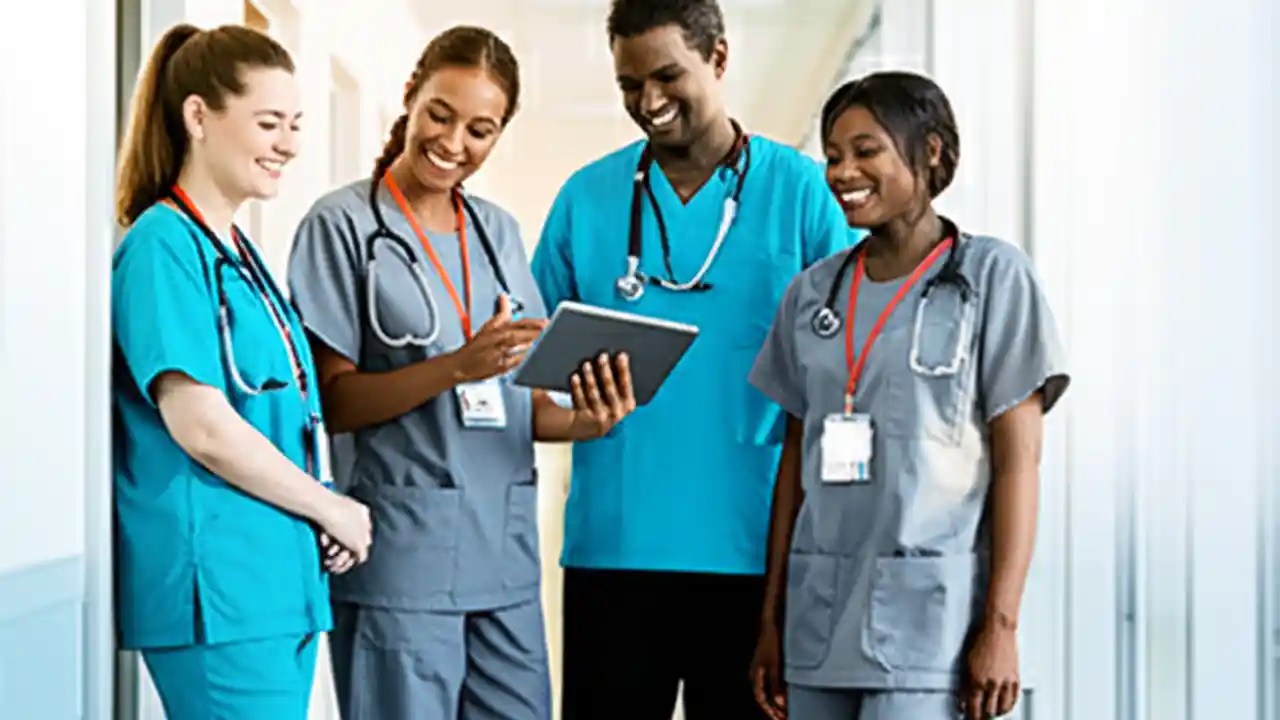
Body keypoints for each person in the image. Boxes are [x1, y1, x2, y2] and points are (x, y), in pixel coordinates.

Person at [285, 25, 636, 720]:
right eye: (440, 115)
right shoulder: (343, 225)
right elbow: (334, 401)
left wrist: (587, 421)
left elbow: (520, 404)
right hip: (401, 564)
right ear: (411, 96)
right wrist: (455, 367)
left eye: (480, 129)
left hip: (503, 561)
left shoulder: (499, 233)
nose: (453, 143)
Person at [529, 1, 856, 716]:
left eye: (668, 75)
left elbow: (846, 372)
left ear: (719, 58)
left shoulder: (801, 193)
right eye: (628, 85)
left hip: (754, 555)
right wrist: (572, 412)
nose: (648, 102)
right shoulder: (587, 199)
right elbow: (520, 371)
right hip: (615, 550)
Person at [746, 70, 1071, 720]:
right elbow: (792, 466)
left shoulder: (992, 279)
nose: (842, 172)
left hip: (933, 630)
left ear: (931, 152)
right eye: (833, 156)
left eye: (866, 151)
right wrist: (770, 621)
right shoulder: (813, 294)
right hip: (817, 619)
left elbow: (1018, 465)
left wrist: (1001, 627)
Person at [111, 22, 372, 720]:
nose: (287, 143)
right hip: (220, 591)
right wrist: (330, 506)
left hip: (276, 581)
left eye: (295, 123)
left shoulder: (242, 256)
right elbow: (202, 426)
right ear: (198, 116)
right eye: (268, 122)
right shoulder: (162, 245)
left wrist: (314, 509)